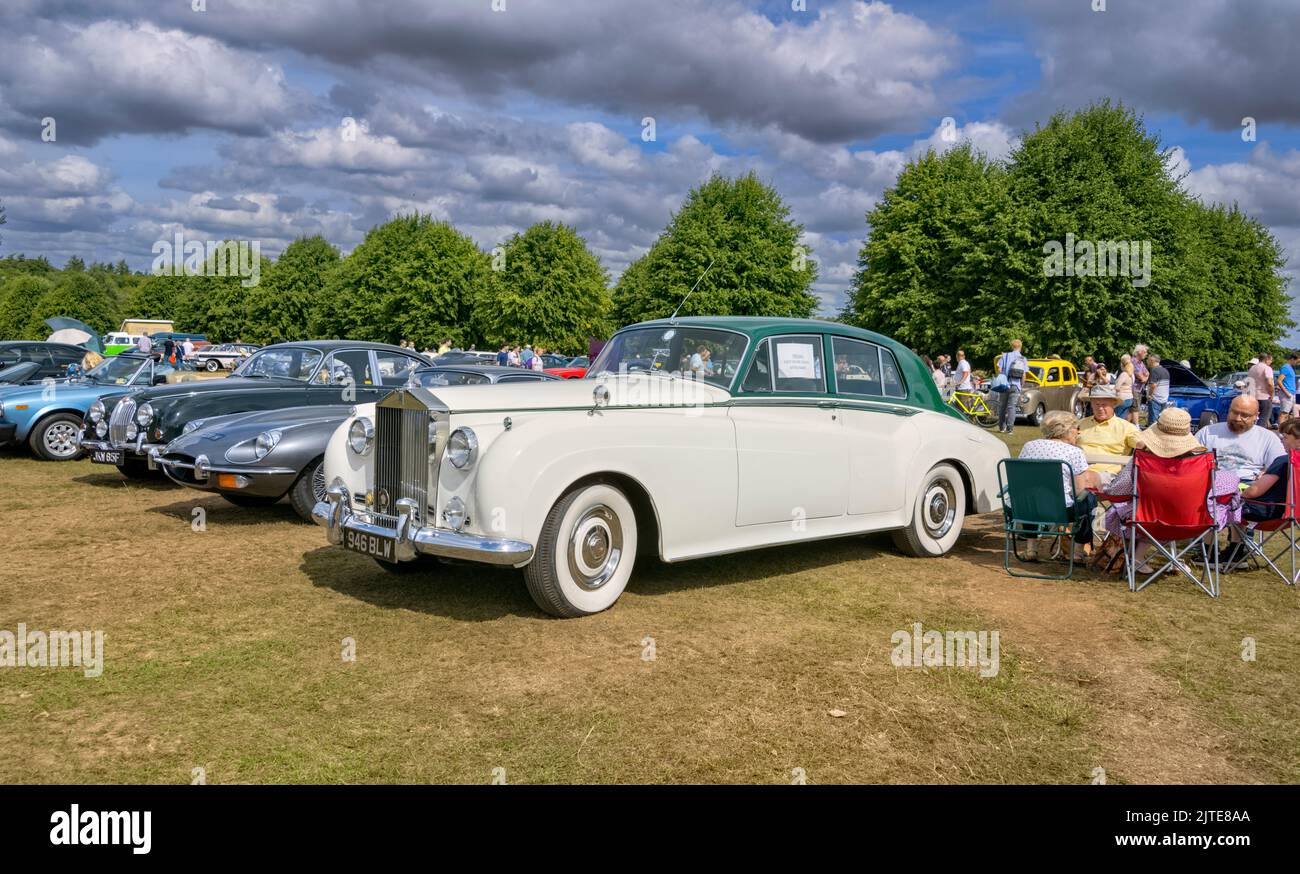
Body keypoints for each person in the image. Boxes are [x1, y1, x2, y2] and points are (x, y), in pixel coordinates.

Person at [1102, 408, 1239, 575]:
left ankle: (1144, 558)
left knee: (1140, 508)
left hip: (1149, 521)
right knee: (1223, 504)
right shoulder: (1202, 466)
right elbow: (1230, 485)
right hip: (1194, 522)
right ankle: (1172, 559)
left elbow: (1118, 490)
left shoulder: (1142, 462)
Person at [1017, 410, 1100, 561]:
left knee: (1031, 496)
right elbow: (1079, 490)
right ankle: (1077, 552)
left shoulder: (1029, 446)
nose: (1078, 433)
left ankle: (1031, 549)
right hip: (1060, 510)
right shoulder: (1074, 452)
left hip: (1027, 508)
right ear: (1067, 430)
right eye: (1076, 428)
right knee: (1089, 497)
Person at [1221, 417, 1300, 568]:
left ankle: (1229, 551)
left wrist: (1237, 494)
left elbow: (1254, 491)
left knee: (1232, 502)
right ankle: (1236, 550)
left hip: (1268, 512)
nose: (1282, 441)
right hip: (1293, 512)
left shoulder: (1284, 461)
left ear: (1298, 441)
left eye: (1285, 437)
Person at [1196, 394, 1284, 481]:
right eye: (1234, 412)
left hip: (1249, 483)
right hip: (1212, 482)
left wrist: (1266, 474)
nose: (1237, 418)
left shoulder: (1268, 438)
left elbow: (1279, 467)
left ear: (1256, 416)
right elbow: (1191, 463)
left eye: (1245, 415)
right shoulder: (1207, 432)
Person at [1076, 384, 1140, 486]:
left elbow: (1141, 444)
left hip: (1108, 475)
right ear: (1091, 404)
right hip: (1076, 469)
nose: (1100, 408)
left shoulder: (1127, 428)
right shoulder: (1080, 424)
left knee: (1083, 479)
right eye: (1096, 404)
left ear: (1113, 404)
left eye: (1104, 405)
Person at [993, 339, 1028, 433]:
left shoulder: (1005, 355)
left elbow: (999, 369)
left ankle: (1001, 428)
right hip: (1016, 385)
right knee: (1011, 407)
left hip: (1005, 384)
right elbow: (1024, 375)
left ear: (1012, 346)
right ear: (1020, 347)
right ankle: (1010, 429)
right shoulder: (1023, 358)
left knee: (1002, 407)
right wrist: (1021, 385)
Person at [1249, 353, 1275, 428]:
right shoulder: (1267, 368)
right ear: (1266, 359)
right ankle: (1259, 436)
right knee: (1263, 419)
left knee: (1252, 418)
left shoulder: (1252, 368)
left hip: (1252, 396)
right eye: (1270, 360)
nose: (1271, 362)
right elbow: (1270, 383)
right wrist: (1272, 395)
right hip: (1264, 397)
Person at [1146, 353, 1170, 424]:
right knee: (1161, 421)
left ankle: (1152, 435)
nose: (1147, 362)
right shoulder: (1165, 370)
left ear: (1152, 360)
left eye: (1148, 360)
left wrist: (1150, 395)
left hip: (1155, 399)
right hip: (1164, 399)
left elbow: (1153, 385)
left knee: (1153, 422)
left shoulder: (1154, 370)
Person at [1277, 352, 1297, 426]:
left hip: (1291, 393)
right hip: (1287, 393)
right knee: (1284, 413)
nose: (1297, 363)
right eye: (1297, 361)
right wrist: (1286, 393)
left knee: (1288, 414)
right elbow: (1279, 381)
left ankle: (1285, 430)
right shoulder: (1286, 367)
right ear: (1292, 359)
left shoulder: (1291, 368)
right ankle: (1281, 431)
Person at [1115, 354, 1136, 422]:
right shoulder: (1132, 375)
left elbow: (1117, 387)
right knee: (1123, 418)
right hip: (1129, 398)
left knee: (1117, 418)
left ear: (1122, 365)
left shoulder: (1124, 374)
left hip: (1122, 398)